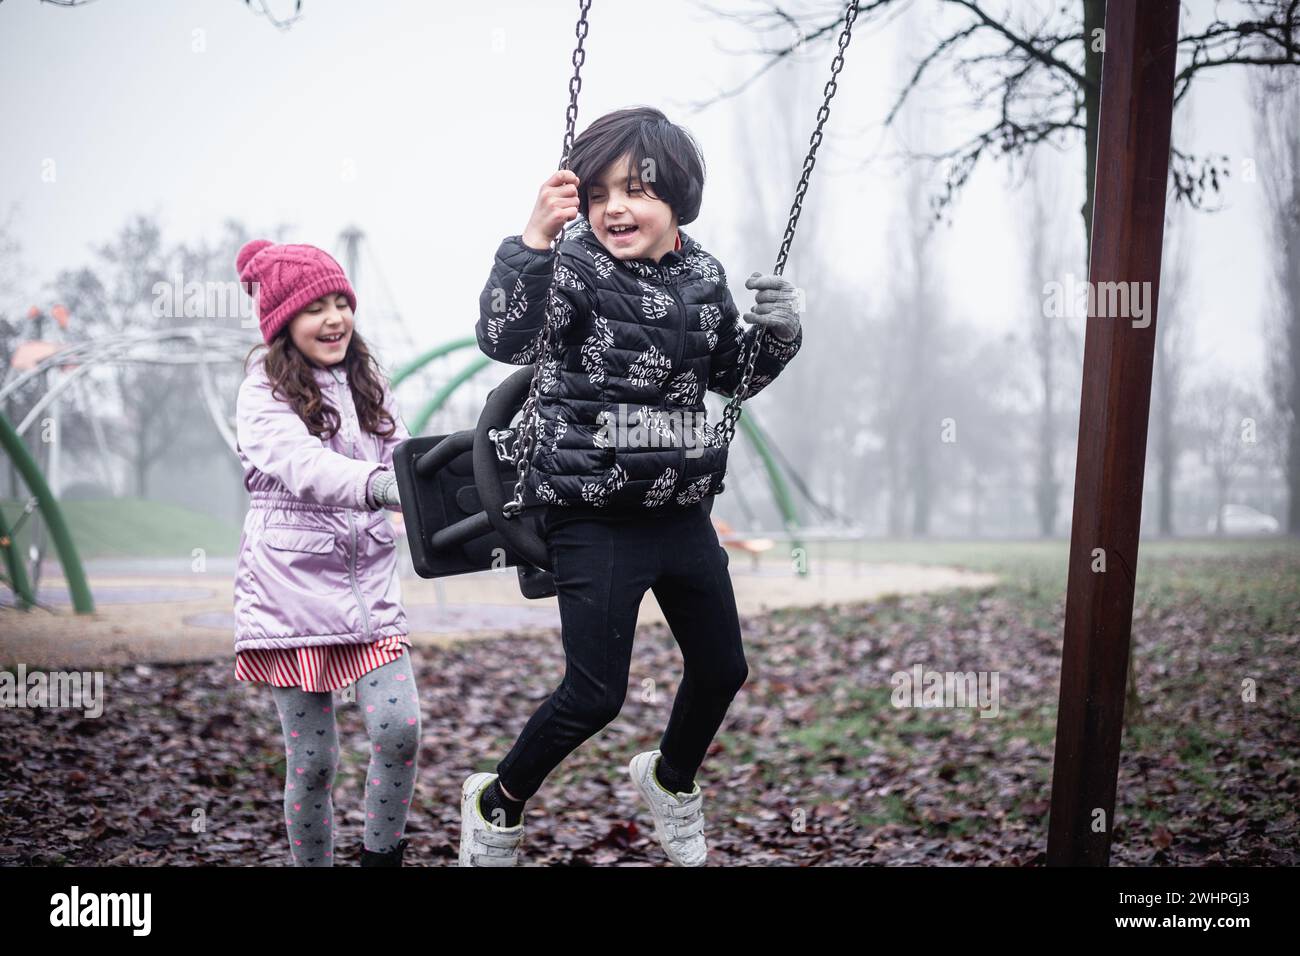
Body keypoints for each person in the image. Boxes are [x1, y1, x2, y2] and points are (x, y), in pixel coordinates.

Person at [462, 106, 804, 866]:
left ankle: (671, 779)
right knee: (595, 696)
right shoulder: (573, 264)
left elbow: (732, 377)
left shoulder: (703, 275)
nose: (616, 207)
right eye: (600, 193)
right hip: (591, 512)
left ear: (677, 200)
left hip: (679, 509)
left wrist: (780, 333)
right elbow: (503, 337)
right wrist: (532, 242)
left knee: (723, 668)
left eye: (640, 190)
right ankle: (498, 802)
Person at [232, 239, 419, 867]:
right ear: (284, 321)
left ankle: (381, 858)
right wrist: (375, 486)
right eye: (317, 307)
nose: (336, 318)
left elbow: (405, 458)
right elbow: (304, 466)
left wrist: (446, 485)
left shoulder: (370, 380)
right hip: (290, 591)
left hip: (367, 585)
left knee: (400, 730)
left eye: (343, 303)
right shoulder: (263, 391)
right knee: (313, 762)